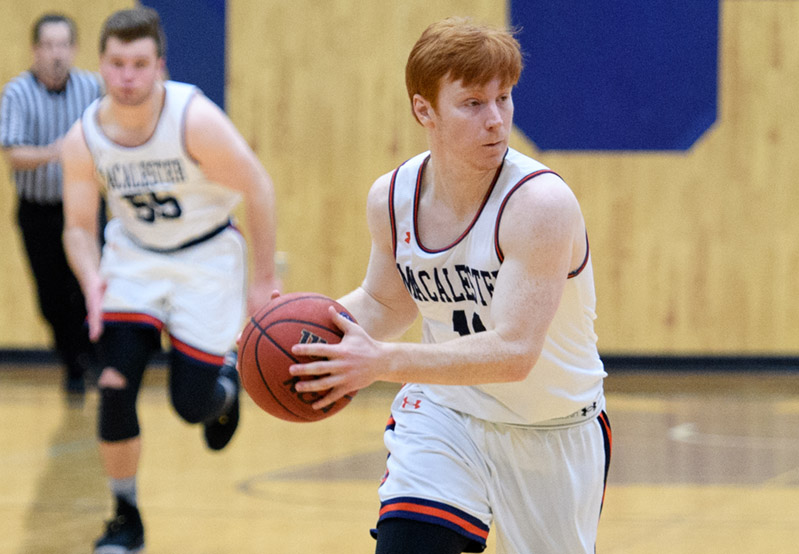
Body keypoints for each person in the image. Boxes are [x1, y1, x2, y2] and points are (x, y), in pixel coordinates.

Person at [286, 17, 611, 554]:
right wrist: (300, 333)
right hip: (447, 414)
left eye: (503, 98)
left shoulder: (539, 205)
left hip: (552, 428)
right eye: (473, 103)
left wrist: (380, 362)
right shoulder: (393, 197)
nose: (496, 120)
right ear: (424, 110)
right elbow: (385, 302)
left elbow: (513, 352)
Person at [60, 7, 279, 554]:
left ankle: (225, 392)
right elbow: (78, 229)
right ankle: (125, 517)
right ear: (102, 66)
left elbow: (258, 187)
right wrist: (91, 281)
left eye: (140, 64)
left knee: (191, 405)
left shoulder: (193, 120)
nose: (128, 76)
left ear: (159, 66)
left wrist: (264, 281)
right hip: (133, 259)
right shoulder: (84, 137)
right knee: (113, 386)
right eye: (117, 64)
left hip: (205, 258)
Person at [1, 13, 103, 395]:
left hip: (85, 207)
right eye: (48, 45)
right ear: (35, 50)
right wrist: (57, 152)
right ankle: (71, 362)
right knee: (51, 297)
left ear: (73, 49)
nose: (56, 54)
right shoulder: (17, 93)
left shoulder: (92, 87)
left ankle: (93, 359)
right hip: (38, 210)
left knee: (89, 285)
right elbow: (13, 154)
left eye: (63, 45)